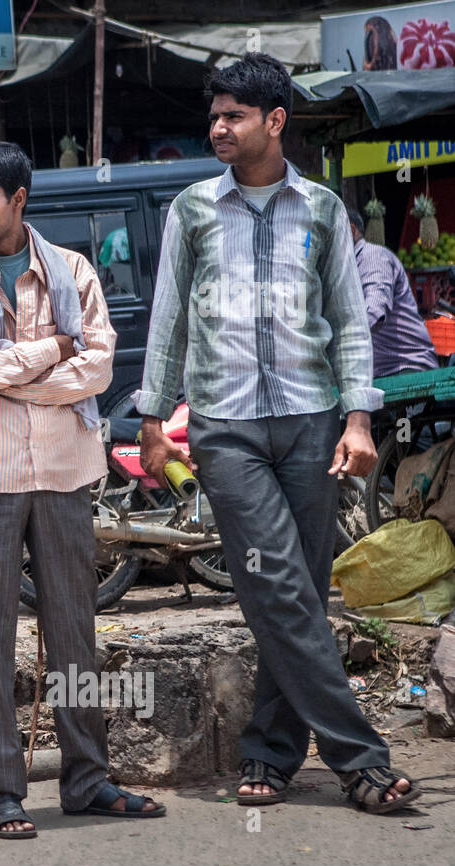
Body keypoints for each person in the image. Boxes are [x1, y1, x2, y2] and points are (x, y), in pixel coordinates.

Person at [136, 53, 419, 813]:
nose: (218, 128)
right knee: (280, 586)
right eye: (215, 115)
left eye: (233, 116)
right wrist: (152, 420)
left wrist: (359, 419)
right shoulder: (192, 209)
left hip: (311, 424)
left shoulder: (323, 209)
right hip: (225, 430)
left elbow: (350, 327)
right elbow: (167, 321)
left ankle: (268, 752)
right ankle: (362, 760)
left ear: (275, 122)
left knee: (295, 597)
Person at [0, 141, 163, 839]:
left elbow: (97, 370)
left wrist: (8, 374)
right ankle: (1, 791)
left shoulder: (73, 271)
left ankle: (87, 779)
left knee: (74, 635)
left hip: (62, 473)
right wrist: (48, 352)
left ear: (18, 200)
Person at [345, 207, 439, 377]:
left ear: (351, 230)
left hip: (406, 369)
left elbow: (375, 307)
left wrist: (343, 340)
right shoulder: (344, 269)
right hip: (376, 374)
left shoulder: (372, 257)